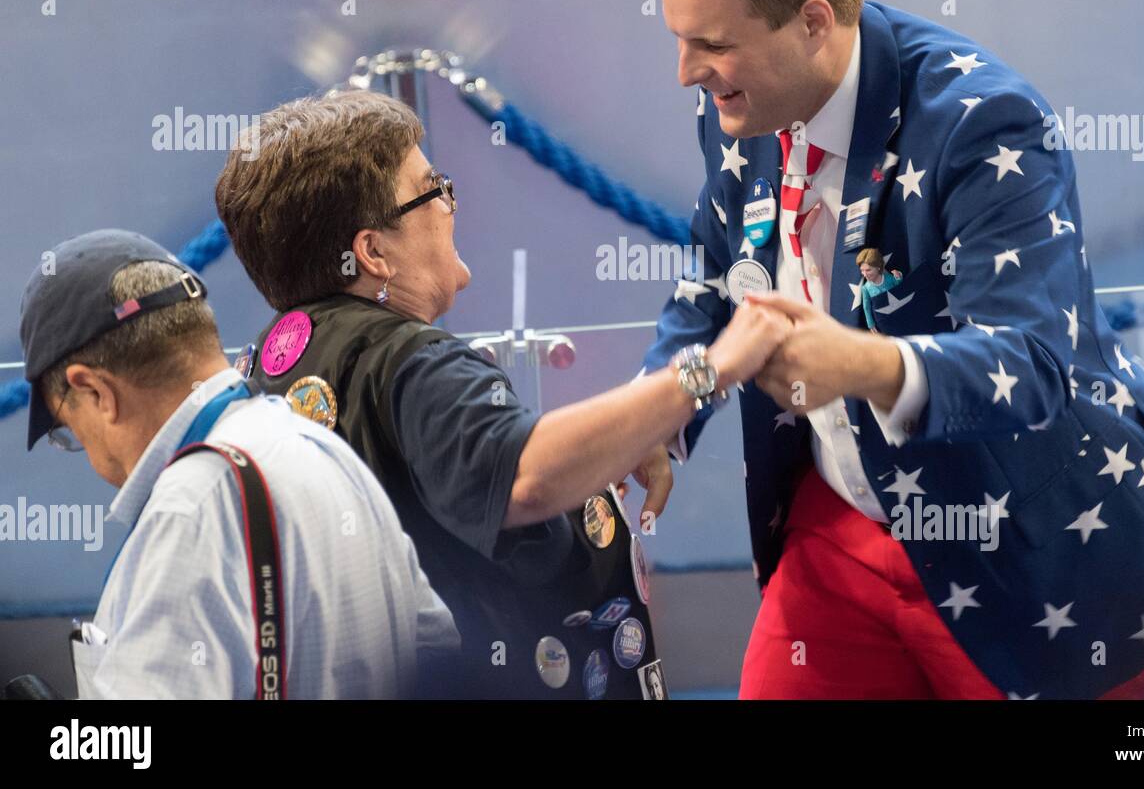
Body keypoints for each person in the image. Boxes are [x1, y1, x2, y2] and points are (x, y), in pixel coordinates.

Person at [639, 0, 1144, 699]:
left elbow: (1033, 362)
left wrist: (859, 364)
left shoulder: (986, 121)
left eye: (711, 44)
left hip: (1027, 546)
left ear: (814, 22)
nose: (686, 72)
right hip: (839, 529)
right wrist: (662, 411)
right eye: (679, 40)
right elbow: (715, 277)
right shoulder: (739, 105)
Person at [214, 90, 787, 699]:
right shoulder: (414, 366)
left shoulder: (267, 367)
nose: (450, 208)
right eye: (434, 190)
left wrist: (631, 435)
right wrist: (710, 370)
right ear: (372, 252)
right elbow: (524, 477)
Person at [18, 230, 459, 699]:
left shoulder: (187, 511)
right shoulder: (328, 452)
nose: (86, 454)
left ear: (94, 391)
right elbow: (437, 646)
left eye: (69, 430)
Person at [856, 247, 902, 332]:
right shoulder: (866, 288)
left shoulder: (888, 278)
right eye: (862, 271)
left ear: (878, 267)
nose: (865, 274)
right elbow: (866, 307)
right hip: (884, 323)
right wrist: (870, 324)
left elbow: (899, 287)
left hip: (899, 315)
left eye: (868, 270)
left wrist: (898, 277)